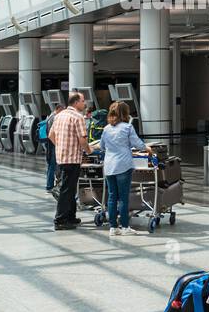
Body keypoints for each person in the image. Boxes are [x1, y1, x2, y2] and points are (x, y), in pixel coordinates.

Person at [99, 101, 151, 237]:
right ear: (125, 113)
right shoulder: (127, 127)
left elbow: (102, 146)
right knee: (123, 198)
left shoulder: (106, 129)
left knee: (111, 197)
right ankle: (125, 227)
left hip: (109, 166)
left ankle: (113, 227)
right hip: (123, 165)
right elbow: (137, 144)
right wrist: (147, 148)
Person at [48, 91, 89, 230]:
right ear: (76, 102)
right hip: (73, 159)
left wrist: (60, 146)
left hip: (61, 158)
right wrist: (89, 150)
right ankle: (60, 220)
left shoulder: (59, 116)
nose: (85, 103)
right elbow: (83, 140)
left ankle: (71, 216)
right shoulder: (78, 117)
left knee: (70, 189)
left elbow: (51, 135)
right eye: (83, 101)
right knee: (66, 190)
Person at [43, 102, 65, 193]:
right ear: (59, 109)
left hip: (50, 145)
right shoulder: (54, 118)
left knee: (52, 166)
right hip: (53, 145)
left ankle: (52, 185)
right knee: (52, 165)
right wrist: (58, 144)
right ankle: (50, 186)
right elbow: (52, 134)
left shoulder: (50, 117)